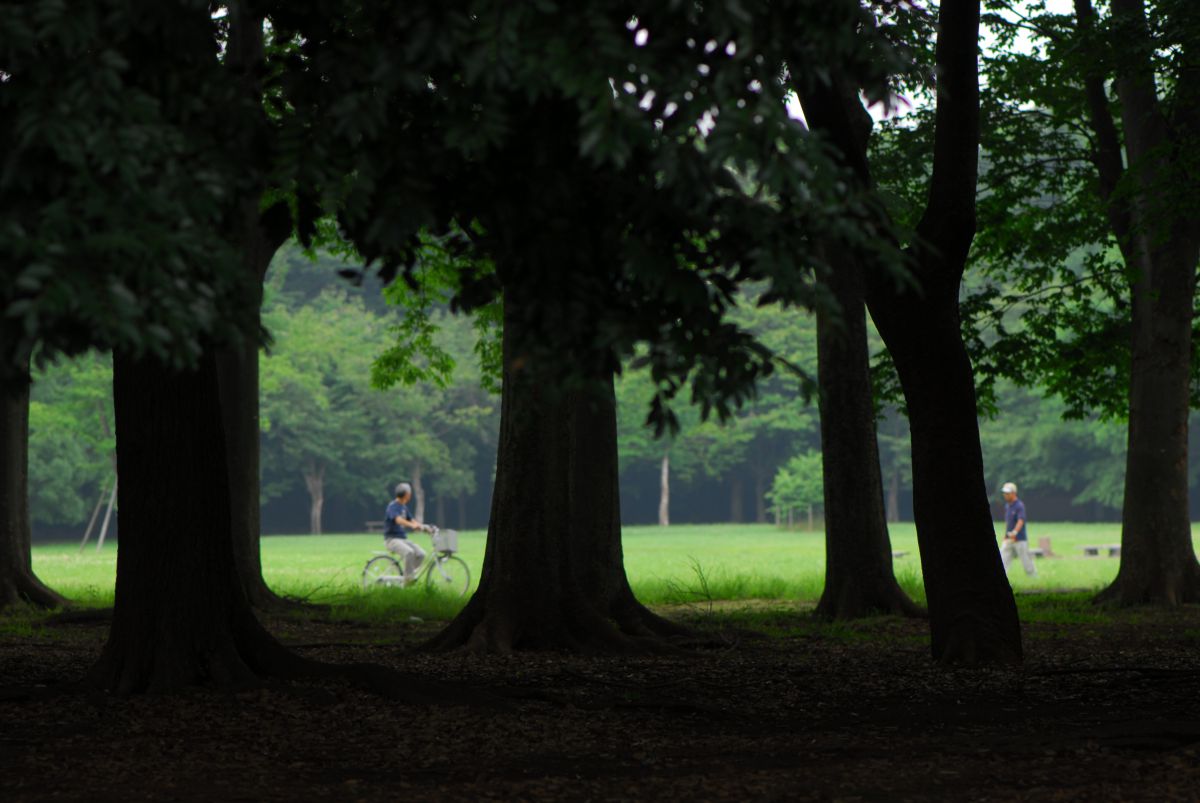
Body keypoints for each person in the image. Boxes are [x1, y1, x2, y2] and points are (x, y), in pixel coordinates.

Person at [384, 482, 428, 583]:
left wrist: (424, 527)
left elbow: (412, 520)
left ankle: (408, 574)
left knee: (421, 554)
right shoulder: (392, 506)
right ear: (407, 494)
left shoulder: (404, 507)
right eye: (409, 493)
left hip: (402, 539)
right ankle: (408, 580)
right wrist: (412, 525)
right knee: (409, 552)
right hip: (392, 540)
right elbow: (398, 520)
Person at [998, 481, 1036, 577]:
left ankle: (1033, 578)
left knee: (1026, 560)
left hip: (1019, 539)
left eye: (1007, 493)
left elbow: (1021, 520)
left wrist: (1015, 532)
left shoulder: (1019, 505)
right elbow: (1008, 522)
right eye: (1004, 493)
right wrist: (1005, 535)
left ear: (1014, 493)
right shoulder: (1007, 506)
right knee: (1003, 559)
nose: (1005, 495)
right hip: (1009, 539)